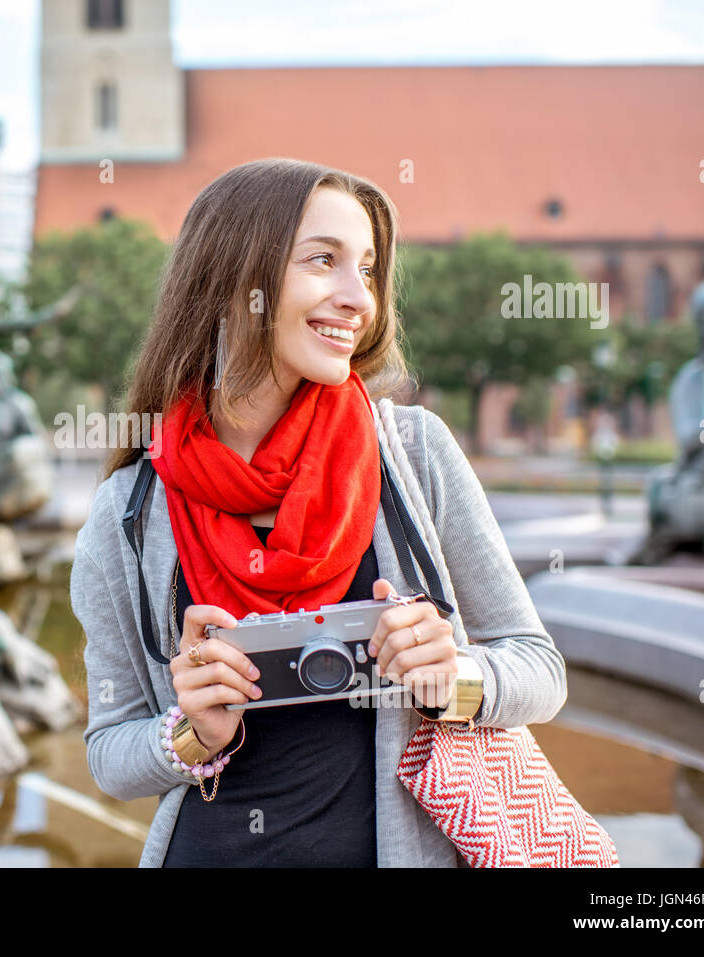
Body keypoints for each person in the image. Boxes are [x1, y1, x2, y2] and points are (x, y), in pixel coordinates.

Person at [69, 158, 568, 867]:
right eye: (324, 261)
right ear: (233, 278)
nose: (358, 297)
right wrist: (192, 732)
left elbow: (541, 671)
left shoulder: (413, 452)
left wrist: (450, 674)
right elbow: (109, 754)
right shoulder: (127, 513)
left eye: (365, 269)